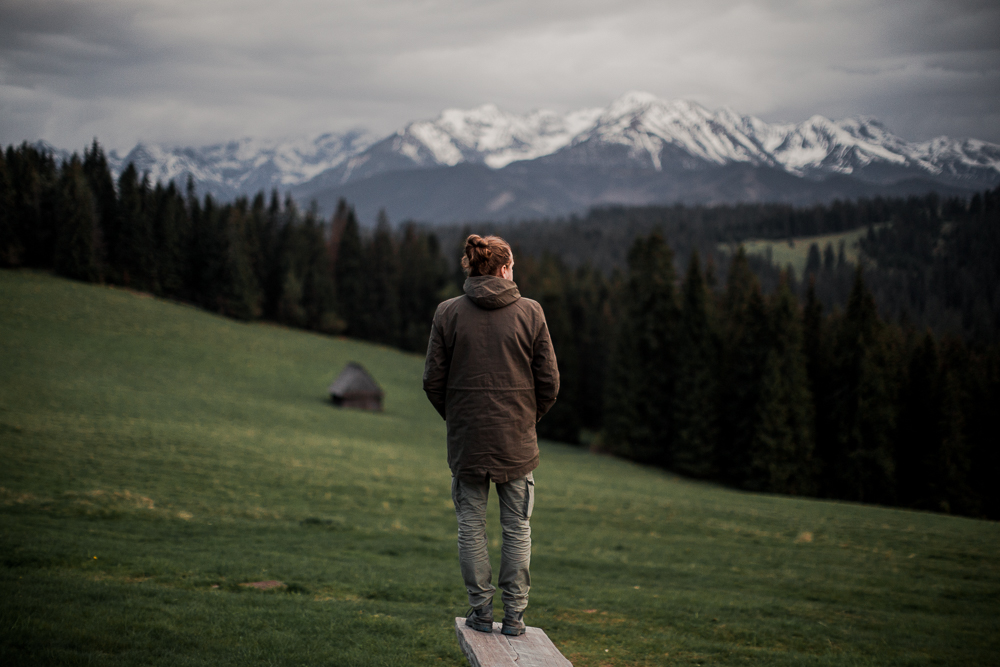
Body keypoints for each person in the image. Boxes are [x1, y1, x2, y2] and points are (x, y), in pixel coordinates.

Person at [423, 234, 560, 636]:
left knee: (471, 525)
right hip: (516, 440)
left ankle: (481, 612)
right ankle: (514, 616)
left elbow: (433, 381)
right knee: (517, 527)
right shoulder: (531, 312)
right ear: (503, 269)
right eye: (512, 265)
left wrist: (459, 418)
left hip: (467, 439)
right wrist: (526, 420)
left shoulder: (447, 312)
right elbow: (549, 382)